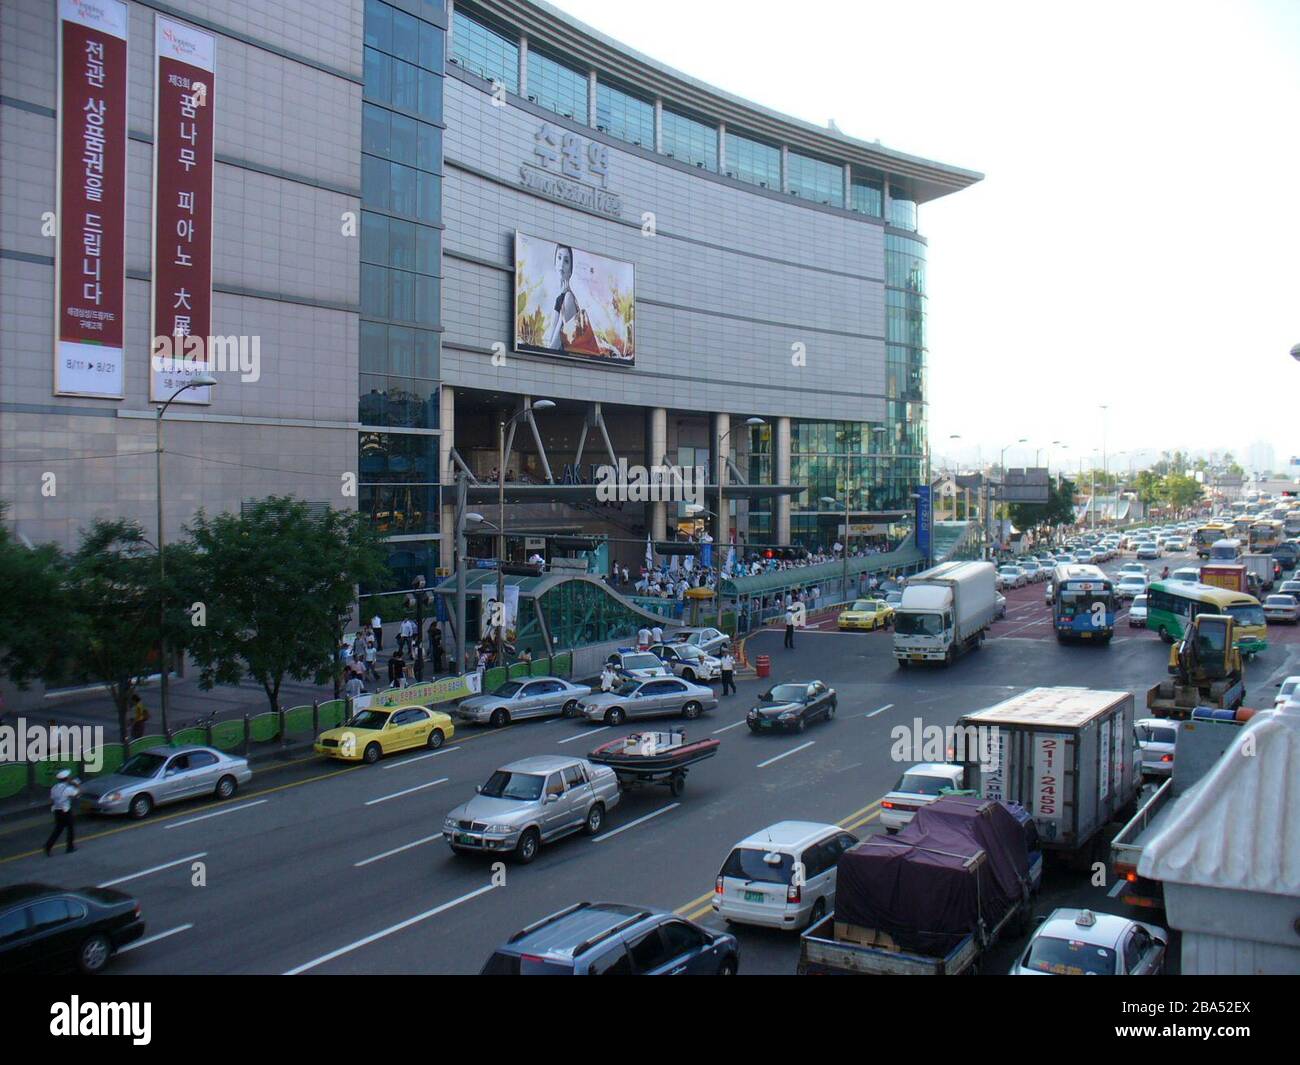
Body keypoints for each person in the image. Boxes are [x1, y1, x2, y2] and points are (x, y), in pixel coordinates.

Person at [45, 768, 79, 856]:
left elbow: (52, 799)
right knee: (70, 829)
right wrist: (76, 784)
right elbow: (78, 794)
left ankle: (48, 846)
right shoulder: (68, 788)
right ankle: (70, 847)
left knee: (58, 829)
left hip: (57, 810)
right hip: (66, 811)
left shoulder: (54, 788)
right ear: (67, 778)